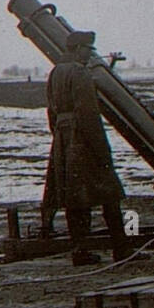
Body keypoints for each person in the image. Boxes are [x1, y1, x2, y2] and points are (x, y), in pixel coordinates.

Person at [47, 31, 133, 266]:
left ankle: (80, 251)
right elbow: (89, 115)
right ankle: (121, 249)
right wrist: (102, 151)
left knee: (74, 198)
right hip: (83, 141)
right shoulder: (80, 72)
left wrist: (61, 137)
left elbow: (51, 112)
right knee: (110, 193)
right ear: (77, 49)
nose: (90, 54)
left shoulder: (56, 72)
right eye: (88, 49)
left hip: (64, 141)